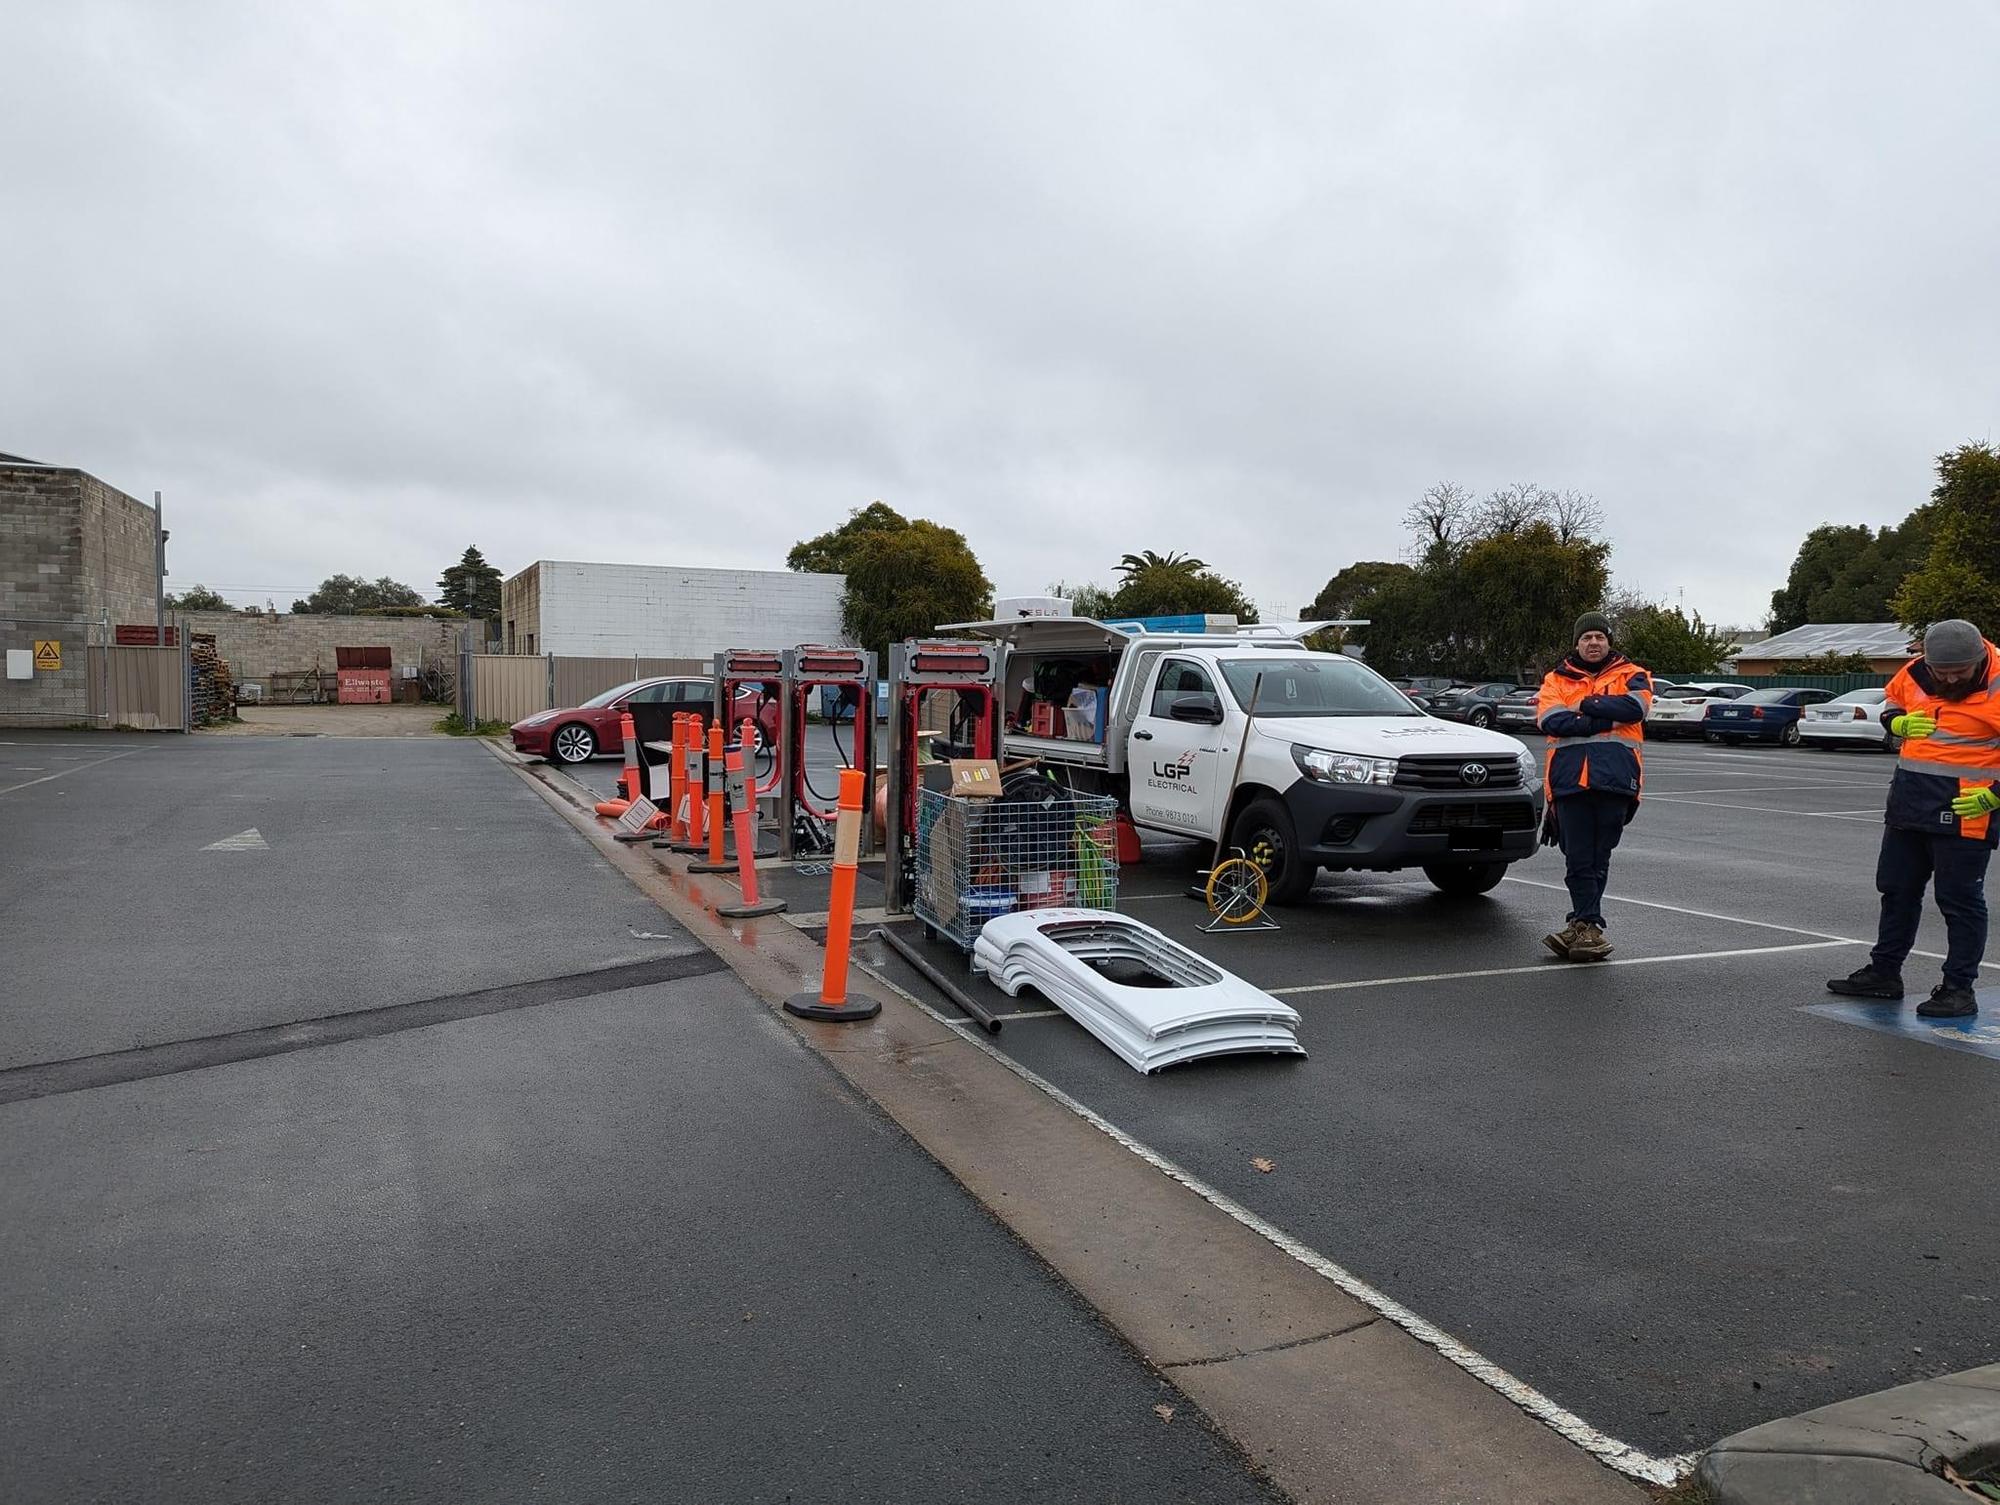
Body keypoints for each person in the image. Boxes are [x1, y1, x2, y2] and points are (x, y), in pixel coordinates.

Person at [1827, 618, 1997, 1019]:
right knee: (1896, 890)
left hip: (1966, 809)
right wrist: (1894, 722)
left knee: (1959, 901)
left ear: (1978, 660)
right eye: (1943, 671)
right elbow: (1892, 701)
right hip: (1910, 801)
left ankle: (1958, 988)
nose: (1951, 679)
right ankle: (1885, 973)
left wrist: (1994, 797)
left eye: (1961, 672)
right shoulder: (1917, 671)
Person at [1534, 612, 1653, 962]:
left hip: (1616, 780)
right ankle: (1586, 925)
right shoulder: (1555, 678)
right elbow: (1550, 720)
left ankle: (1584, 925)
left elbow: (1635, 708)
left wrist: (1583, 707)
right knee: (1578, 856)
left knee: (1597, 855)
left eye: (1600, 637)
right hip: (1570, 781)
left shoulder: (1633, 674)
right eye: (1587, 638)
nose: (1594, 643)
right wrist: (1604, 715)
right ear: (1577, 643)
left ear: (1609, 641)